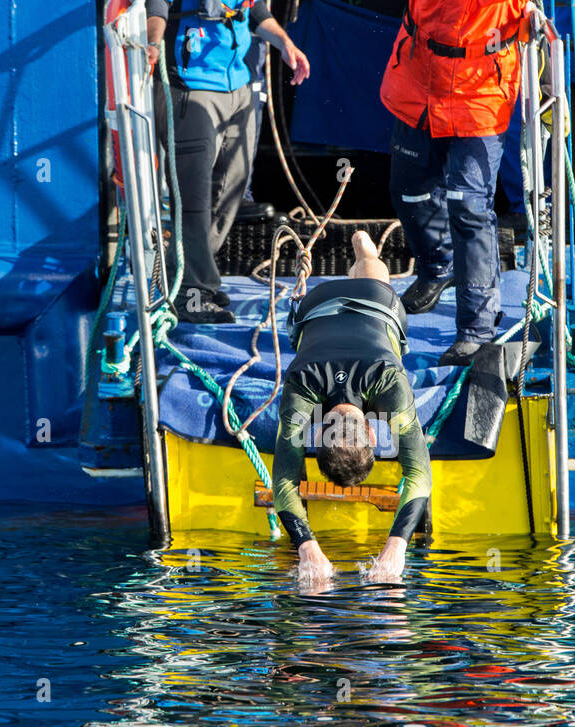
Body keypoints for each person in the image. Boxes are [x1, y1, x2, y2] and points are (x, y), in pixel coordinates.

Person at [272, 231, 432, 583]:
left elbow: (284, 483)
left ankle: (366, 257)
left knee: (374, 277)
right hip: (316, 303)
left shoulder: (388, 383)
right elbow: (419, 479)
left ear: (373, 433)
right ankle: (364, 252)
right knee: (371, 274)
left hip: (370, 301)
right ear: (372, 431)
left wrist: (308, 547)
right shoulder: (302, 387)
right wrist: (395, 546)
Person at [380, 1, 528, 364]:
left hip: (481, 90)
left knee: (468, 207)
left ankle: (476, 331)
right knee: (407, 190)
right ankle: (437, 268)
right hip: (420, 78)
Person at [145, 2, 310, 323]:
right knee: (192, 201)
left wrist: (285, 43)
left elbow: (257, 11)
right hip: (191, 87)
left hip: (238, 85)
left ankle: (191, 273)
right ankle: (191, 295)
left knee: (232, 188)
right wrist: (153, 43)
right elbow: (157, 7)